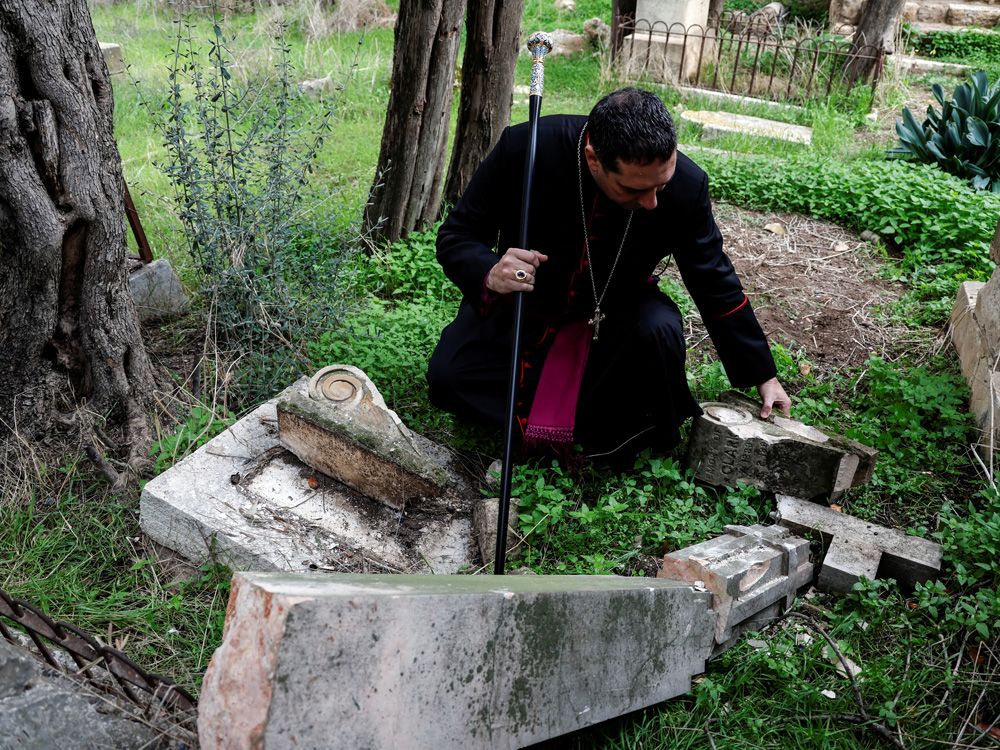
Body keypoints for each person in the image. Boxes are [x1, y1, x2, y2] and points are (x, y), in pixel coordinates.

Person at [426, 87, 790, 460]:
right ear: (593, 159)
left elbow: (713, 279)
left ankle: (598, 420)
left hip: (617, 314)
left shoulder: (688, 185)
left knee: (659, 332)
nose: (652, 203)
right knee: (449, 378)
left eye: (661, 185)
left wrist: (762, 373)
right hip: (526, 308)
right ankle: (583, 418)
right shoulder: (528, 147)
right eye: (635, 189)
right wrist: (490, 271)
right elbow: (457, 236)